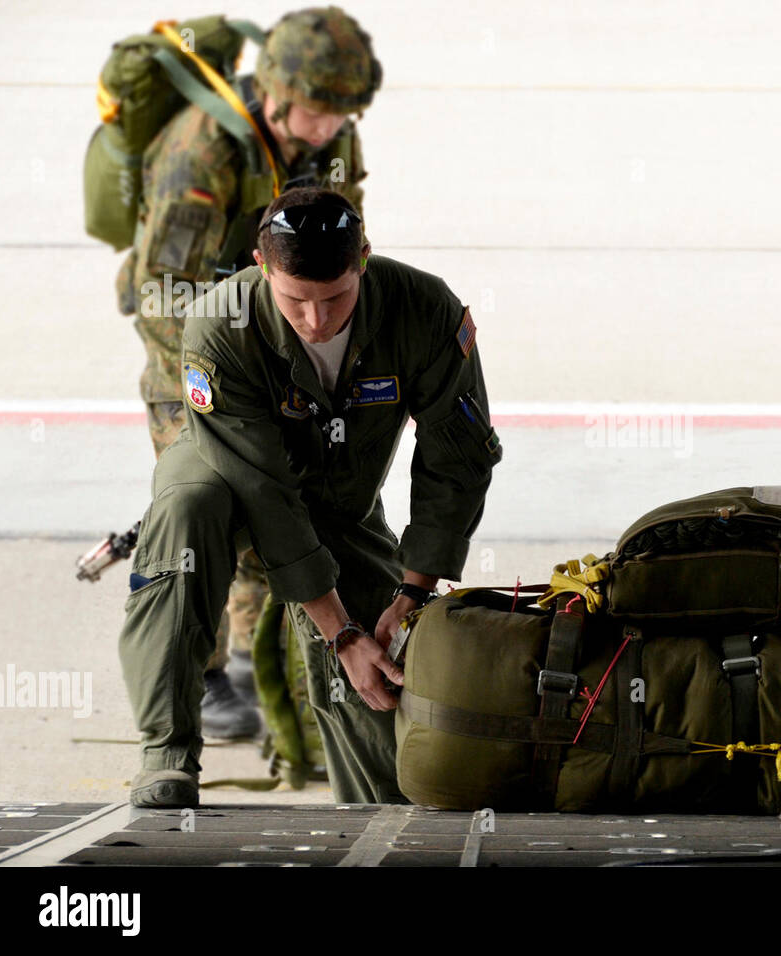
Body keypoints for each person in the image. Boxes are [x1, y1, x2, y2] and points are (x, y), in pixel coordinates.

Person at [119, 187, 501, 807]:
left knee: (388, 699)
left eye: (337, 298)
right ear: (261, 265)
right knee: (185, 513)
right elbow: (264, 492)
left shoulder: (424, 310)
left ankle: (376, 815)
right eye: (296, 300)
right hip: (231, 478)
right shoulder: (221, 324)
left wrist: (410, 594)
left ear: (364, 261)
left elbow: (456, 462)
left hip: (341, 501)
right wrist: (341, 631)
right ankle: (167, 753)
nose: (317, 320)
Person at [114, 6, 382, 737]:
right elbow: (164, 294)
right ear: (275, 87)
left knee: (282, 507)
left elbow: (347, 242)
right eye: (316, 108)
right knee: (204, 515)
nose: (328, 126)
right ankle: (194, 682)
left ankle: (255, 666)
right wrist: (222, 388)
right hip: (190, 360)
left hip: (280, 342)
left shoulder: (333, 137)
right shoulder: (199, 154)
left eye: (341, 111)